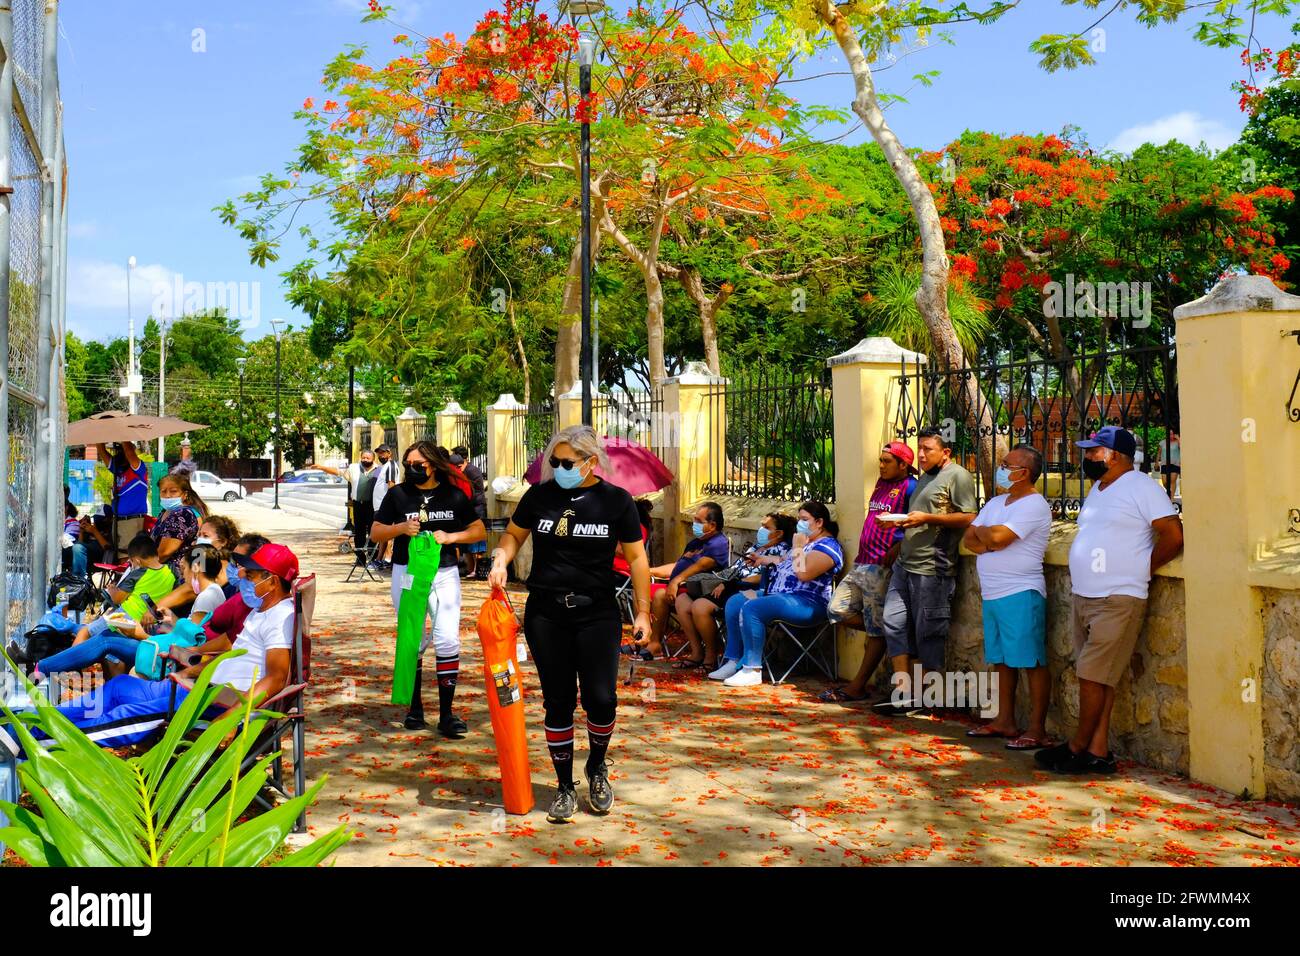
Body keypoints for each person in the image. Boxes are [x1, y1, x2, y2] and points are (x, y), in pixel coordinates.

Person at [488, 425, 652, 823]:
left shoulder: (616, 501)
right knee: (558, 700)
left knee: (600, 698)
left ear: (590, 462)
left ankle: (596, 767)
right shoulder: (539, 496)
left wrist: (644, 613)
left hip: (597, 612)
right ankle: (564, 785)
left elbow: (637, 560)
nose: (557, 469)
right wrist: (500, 558)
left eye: (565, 463)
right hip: (546, 613)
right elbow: (513, 534)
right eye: (553, 462)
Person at [1, 544, 301, 756]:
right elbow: (232, 651)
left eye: (250, 574)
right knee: (119, 687)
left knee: (124, 717)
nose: (243, 579)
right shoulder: (261, 608)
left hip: (215, 703)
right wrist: (191, 666)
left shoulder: (279, 617)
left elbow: (276, 677)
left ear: (271, 581)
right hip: (198, 688)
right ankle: (28, 722)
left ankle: (30, 743)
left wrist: (235, 716)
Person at [1037, 426, 1183, 775]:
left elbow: (1174, 535)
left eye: (1093, 452)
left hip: (1118, 596)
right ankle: (1098, 751)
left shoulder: (1142, 487)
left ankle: (1076, 747)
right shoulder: (1100, 489)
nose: (1086, 457)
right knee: (1100, 678)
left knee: (1089, 675)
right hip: (1085, 595)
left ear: (1114, 455)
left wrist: (1141, 569)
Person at [370, 440, 486, 735]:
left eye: (417, 465)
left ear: (433, 465)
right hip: (406, 573)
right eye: (408, 464)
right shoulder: (398, 495)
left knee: (447, 638)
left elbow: (478, 530)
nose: (411, 470)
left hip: (444, 573)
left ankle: (447, 714)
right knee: (414, 638)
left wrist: (451, 537)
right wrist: (399, 529)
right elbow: (375, 532)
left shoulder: (453, 496)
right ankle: (415, 708)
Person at [962, 444, 1057, 749]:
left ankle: (1037, 729)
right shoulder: (996, 502)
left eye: (1007, 464)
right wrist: (990, 539)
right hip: (993, 592)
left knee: (1031, 660)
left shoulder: (1033, 505)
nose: (1001, 468)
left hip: (1020, 591)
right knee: (1002, 660)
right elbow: (969, 539)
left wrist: (988, 536)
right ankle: (1005, 720)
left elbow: (1000, 537)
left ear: (1024, 472)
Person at [879, 426, 978, 713]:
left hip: (933, 568)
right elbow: (918, 518)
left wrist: (928, 518)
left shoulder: (958, 475)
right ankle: (903, 692)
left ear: (945, 452)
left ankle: (928, 699)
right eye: (919, 449)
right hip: (906, 563)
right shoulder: (925, 477)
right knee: (894, 623)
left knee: (928, 635)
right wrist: (901, 526)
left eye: (927, 450)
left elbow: (969, 515)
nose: (920, 455)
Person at [820, 442, 916, 703]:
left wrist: (898, 546)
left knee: (876, 629)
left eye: (887, 461)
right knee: (836, 610)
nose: (881, 465)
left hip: (881, 566)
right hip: (862, 562)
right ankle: (886, 632)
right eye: (881, 460)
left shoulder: (910, 486)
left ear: (903, 465)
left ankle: (858, 685)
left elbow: (916, 522)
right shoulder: (881, 483)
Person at [710, 501, 844, 687]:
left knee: (753, 608)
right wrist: (764, 559)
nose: (800, 524)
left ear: (819, 522)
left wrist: (797, 547)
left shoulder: (828, 547)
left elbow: (803, 573)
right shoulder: (807, 541)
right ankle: (733, 661)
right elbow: (783, 560)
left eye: (805, 520)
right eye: (799, 519)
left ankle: (752, 669)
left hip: (806, 603)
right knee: (735, 602)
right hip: (777, 596)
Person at [33, 535, 177, 680]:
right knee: (109, 652)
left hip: (123, 617)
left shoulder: (139, 573)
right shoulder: (171, 573)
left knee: (85, 631)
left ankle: (70, 666)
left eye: (131, 561)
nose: (131, 564)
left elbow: (117, 598)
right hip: (145, 625)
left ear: (137, 561)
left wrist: (113, 589)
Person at [684, 512, 794, 673]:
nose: (761, 530)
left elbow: (765, 577)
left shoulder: (783, 551)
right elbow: (735, 569)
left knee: (702, 606)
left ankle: (714, 657)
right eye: (761, 525)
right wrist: (724, 581)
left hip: (749, 589)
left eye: (766, 527)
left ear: (779, 533)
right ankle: (700, 653)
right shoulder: (756, 547)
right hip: (731, 585)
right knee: (683, 601)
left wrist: (730, 584)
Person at [630, 501, 728, 661]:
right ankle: (642, 638)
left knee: (661, 594)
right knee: (641, 588)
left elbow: (702, 565)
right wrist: (648, 571)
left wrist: (676, 581)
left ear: (712, 525)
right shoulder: (696, 542)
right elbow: (678, 565)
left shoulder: (718, 543)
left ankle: (655, 644)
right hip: (678, 586)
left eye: (698, 521)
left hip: (697, 589)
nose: (693, 524)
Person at [312, 451, 379, 565]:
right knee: (359, 533)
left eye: (368, 458)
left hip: (372, 506)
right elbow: (337, 472)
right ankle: (360, 559)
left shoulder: (379, 470)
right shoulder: (353, 468)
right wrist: (322, 467)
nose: (365, 460)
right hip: (358, 505)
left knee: (373, 532)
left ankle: (373, 559)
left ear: (373, 459)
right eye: (363, 457)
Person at [96, 440, 149, 556]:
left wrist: (123, 437)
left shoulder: (138, 469)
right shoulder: (118, 469)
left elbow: (129, 452)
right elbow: (101, 451)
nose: (118, 453)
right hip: (118, 520)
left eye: (121, 450)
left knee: (127, 556)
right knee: (118, 556)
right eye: (117, 450)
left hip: (131, 521)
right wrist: (99, 436)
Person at [152, 473, 208, 582]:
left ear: (185, 494)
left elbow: (164, 553)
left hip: (178, 575)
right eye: (163, 491)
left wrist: (144, 566)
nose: (167, 495)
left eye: (173, 491)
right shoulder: (165, 512)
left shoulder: (182, 514)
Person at [451, 446, 489, 580]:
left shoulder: (472, 471)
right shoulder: (461, 472)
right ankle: (469, 568)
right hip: (466, 509)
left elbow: (475, 492)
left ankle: (477, 569)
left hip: (476, 508)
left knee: (477, 541)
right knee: (466, 542)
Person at [371, 444, 398, 571]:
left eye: (383, 453)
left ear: (389, 453)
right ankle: (380, 559)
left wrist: (389, 504)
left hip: (385, 505)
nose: (380, 456)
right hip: (379, 505)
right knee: (384, 534)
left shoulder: (391, 466)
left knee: (386, 533)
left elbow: (391, 485)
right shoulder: (383, 467)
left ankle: (383, 559)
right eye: (379, 453)